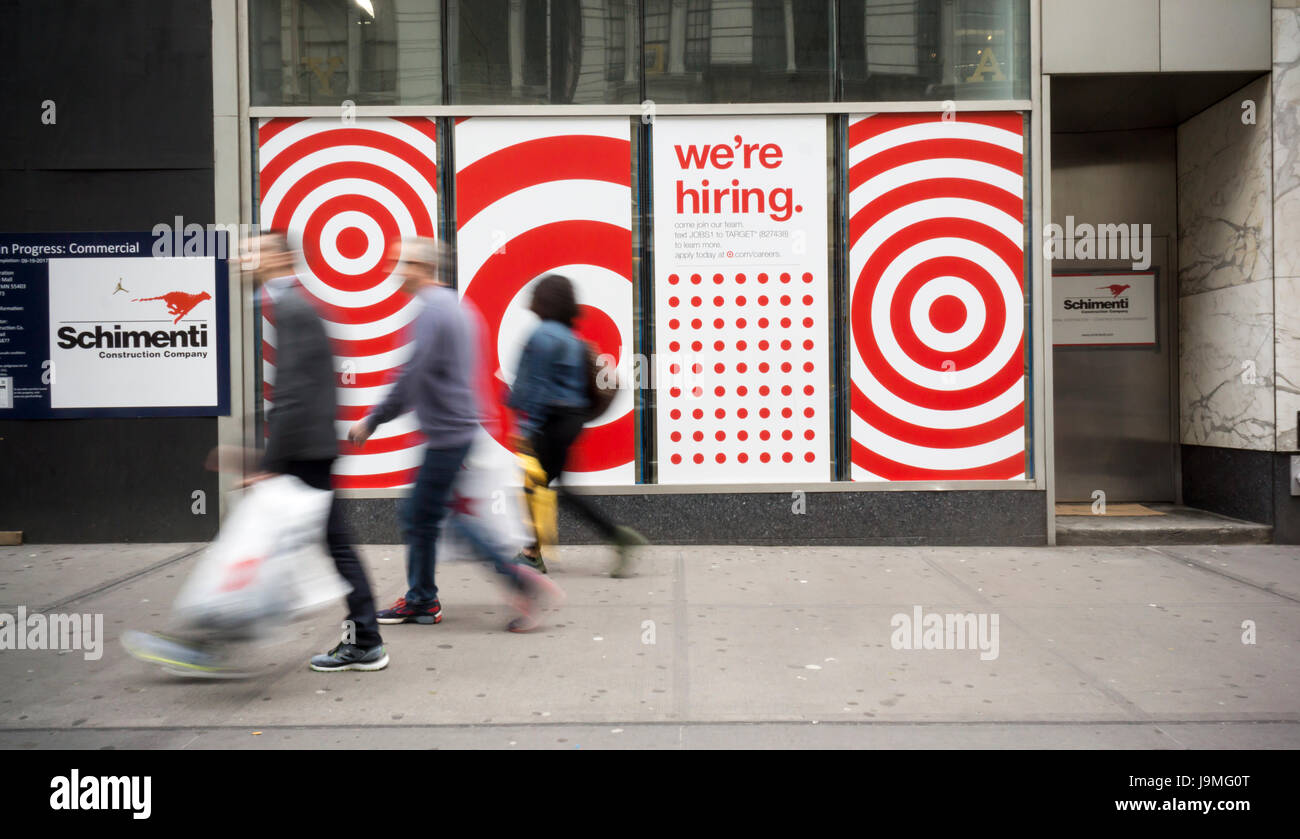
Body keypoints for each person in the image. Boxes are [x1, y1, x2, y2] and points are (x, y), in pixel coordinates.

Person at [122, 231, 388, 675]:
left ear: (281, 258)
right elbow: (298, 391)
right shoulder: (288, 305)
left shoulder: (294, 308)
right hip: (309, 450)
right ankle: (363, 640)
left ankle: (213, 643)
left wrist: (268, 464)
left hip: (303, 454)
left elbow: (296, 394)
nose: (247, 260)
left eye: (257, 252)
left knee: (263, 545)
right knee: (318, 546)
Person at [348, 238, 560, 632]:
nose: (395, 271)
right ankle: (423, 598)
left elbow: (411, 374)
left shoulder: (432, 312)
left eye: (402, 264)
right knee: (429, 515)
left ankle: (511, 584)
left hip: (448, 435)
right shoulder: (457, 308)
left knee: (430, 515)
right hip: (458, 431)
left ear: (422, 267)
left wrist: (372, 420)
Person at [508, 273, 647, 578]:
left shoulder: (542, 335)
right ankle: (618, 538)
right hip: (569, 421)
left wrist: (526, 429)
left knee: (535, 486)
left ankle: (533, 554)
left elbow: (537, 387)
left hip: (550, 420)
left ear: (544, 300)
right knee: (557, 489)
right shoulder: (570, 338)